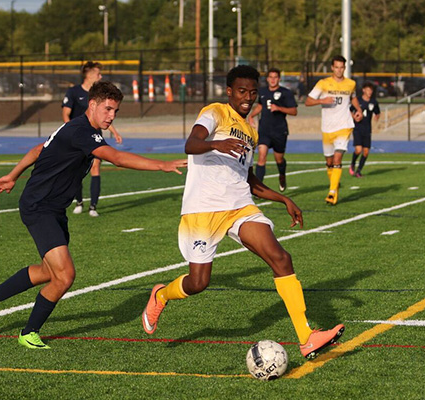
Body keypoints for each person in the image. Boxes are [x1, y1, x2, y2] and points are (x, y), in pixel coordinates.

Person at [140, 65, 345, 361]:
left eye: (252, 92)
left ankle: (307, 337)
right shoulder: (215, 112)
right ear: (229, 92)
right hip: (203, 209)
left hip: (239, 207)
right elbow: (191, 144)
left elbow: (249, 179)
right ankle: (160, 295)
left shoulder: (251, 130)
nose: (247, 97)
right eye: (241, 91)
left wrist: (283, 199)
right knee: (198, 283)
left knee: (281, 257)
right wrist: (216, 143)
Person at [0, 82, 186, 349]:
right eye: (108, 109)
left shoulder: (80, 130)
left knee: (46, 272)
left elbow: (40, 149)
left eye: (116, 111)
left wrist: (12, 176)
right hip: (39, 206)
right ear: (93, 105)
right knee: (64, 276)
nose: (111, 116)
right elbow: (117, 158)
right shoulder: (81, 131)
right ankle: (28, 332)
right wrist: (162, 165)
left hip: (53, 208)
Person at [62, 61, 123, 217]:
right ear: (89, 75)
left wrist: (114, 132)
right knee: (76, 171)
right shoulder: (74, 92)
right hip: (78, 139)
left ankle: (93, 207)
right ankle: (79, 202)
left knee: (95, 168)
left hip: (95, 138)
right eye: (98, 74)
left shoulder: (99, 96)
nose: (100, 76)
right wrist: (72, 133)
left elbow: (102, 117)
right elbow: (66, 114)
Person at [305, 55, 363, 205]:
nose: (339, 70)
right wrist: (321, 100)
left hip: (344, 126)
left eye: (341, 67)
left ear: (345, 68)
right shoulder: (323, 83)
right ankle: (334, 186)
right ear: (332, 68)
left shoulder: (351, 83)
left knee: (337, 159)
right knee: (329, 162)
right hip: (327, 128)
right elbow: (308, 101)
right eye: (336, 67)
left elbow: (353, 97)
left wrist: (358, 110)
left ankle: (331, 193)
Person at [247, 67, 298, 191]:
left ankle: (282, 175)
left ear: (279, 79)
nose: (273, 80)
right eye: (271, 77)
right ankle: (258, 188)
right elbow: (260, 105)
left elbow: (294, 111)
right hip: (264, 130)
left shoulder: (286, 93)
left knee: (279, 159)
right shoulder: (263, 91)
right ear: (267, 79)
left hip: (280, 131)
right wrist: (252, 115)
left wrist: (279, 108)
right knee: (261, 156)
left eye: (275, 77)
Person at [349, 82, 380, 178]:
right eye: (368, 90)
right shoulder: (357, 101)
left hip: (367, 129)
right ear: (363, 90)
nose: (370, 92)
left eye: (371, 90)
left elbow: (377, 112)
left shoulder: (374, 102)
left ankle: (358, 171)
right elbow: (350, 110)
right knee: (358, 150)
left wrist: (376, 117)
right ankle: (353, 163)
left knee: (366, 152)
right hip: (358, 128)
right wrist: (354, 117)